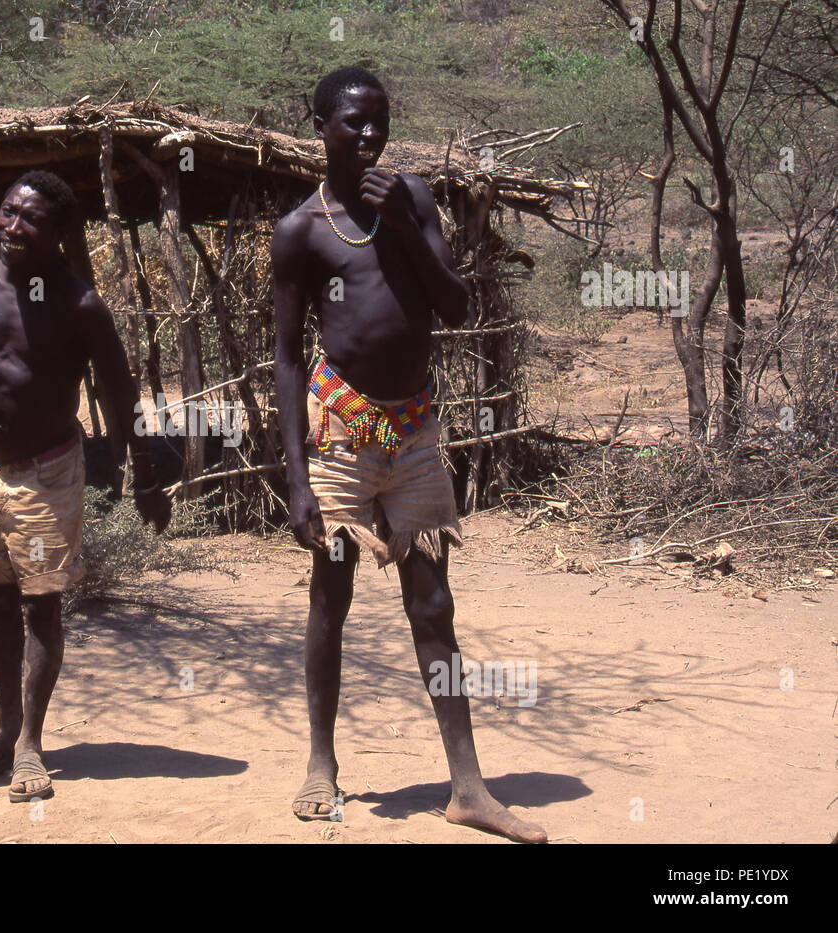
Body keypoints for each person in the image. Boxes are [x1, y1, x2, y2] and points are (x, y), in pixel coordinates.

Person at [271, 68, 547, 842]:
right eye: (353, 122)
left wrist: (403, 228)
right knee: (331, 599)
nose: (369, 135)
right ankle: (320, 764)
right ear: (319, 124)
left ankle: (468, 785)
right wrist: (295, 479)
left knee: (434, 607)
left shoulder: (414, 198)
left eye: (380, 121)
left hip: (414, 431)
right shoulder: (300, 230)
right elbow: (288, 359)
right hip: (341, 434)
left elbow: (455, 305)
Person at [0, 170, 171, 802]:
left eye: (30, 219)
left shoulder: (79, 305)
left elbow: (121, 396)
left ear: (60, 233)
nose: (12, 227)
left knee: (40, 603)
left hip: (48, 472)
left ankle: (32, 744)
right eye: (7, 212)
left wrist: (144, 475)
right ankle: (8, 730)